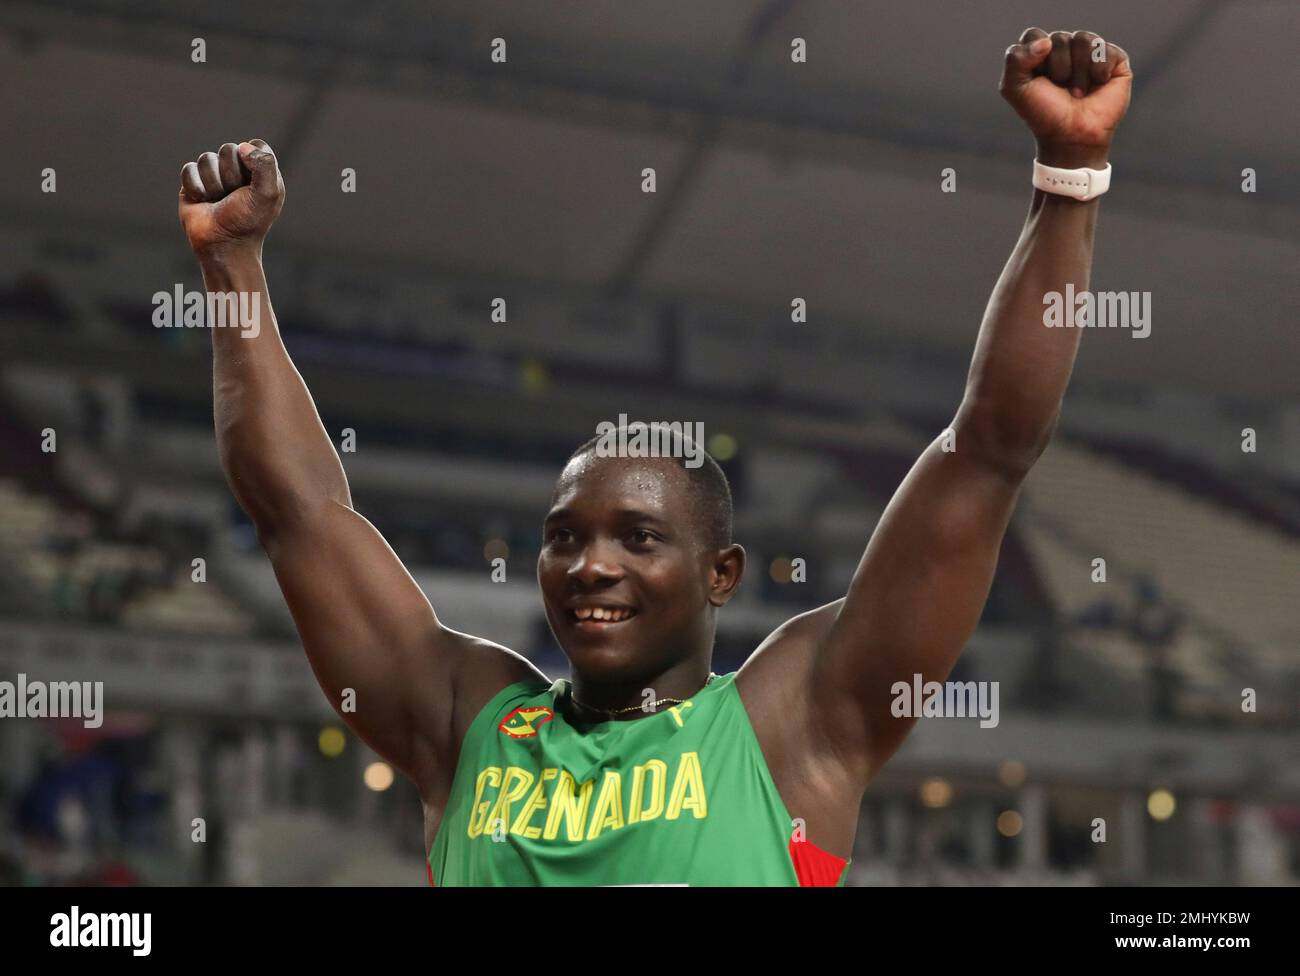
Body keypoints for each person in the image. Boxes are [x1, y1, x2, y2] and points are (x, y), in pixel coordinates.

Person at [177, 27, 1131, 885]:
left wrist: (1071, 175)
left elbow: (988, 450)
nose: (591, 564)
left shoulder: (791, 723)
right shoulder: (466, 717)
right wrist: (231, 269)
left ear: (722, 574)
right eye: (564, 537)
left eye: (638, 538)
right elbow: (296, 510)